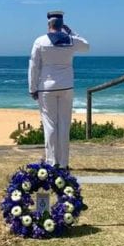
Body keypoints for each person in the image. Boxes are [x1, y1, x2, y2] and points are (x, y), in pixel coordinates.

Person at [28, 11, 90, 168]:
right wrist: (71, 32)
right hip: (66, 86)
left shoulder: (40, 41)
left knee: (50, 125)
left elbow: (34, 66)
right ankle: (63, 163)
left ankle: (51, 162)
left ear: (49, 24)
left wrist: (32, 88)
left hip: (47, 88)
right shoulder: (71, 40)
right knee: (64, 125)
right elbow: (86, 46)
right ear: (62, 25)